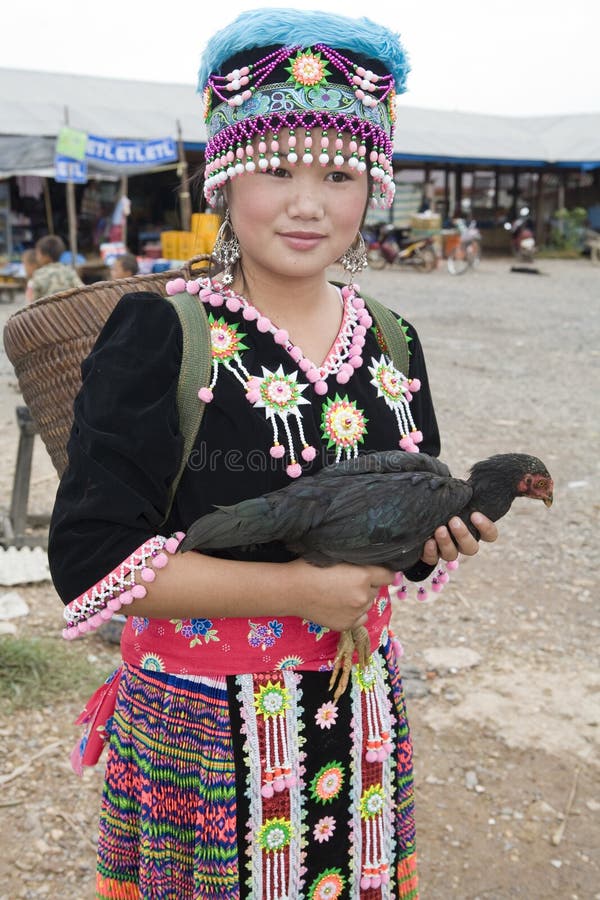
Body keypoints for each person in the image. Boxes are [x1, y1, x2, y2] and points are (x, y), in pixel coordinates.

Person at [48, 9, 499, 898]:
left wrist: (432, 543)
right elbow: (92, 560)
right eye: (276, 169)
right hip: (202, 734)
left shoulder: (393, 343)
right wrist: (299, 591)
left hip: (355, 718)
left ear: (374, 187)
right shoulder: (162, 335)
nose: (307, 203)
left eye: (339, 173)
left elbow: (396, 543)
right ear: (222, 179)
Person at [31, 235, 83, 300]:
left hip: (47, 309)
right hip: (68, 307)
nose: (37, 257)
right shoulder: (69, 270)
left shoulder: (39, 274)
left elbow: (34, 301)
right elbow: (81, 290)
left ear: (46, 256)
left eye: (38, 254)